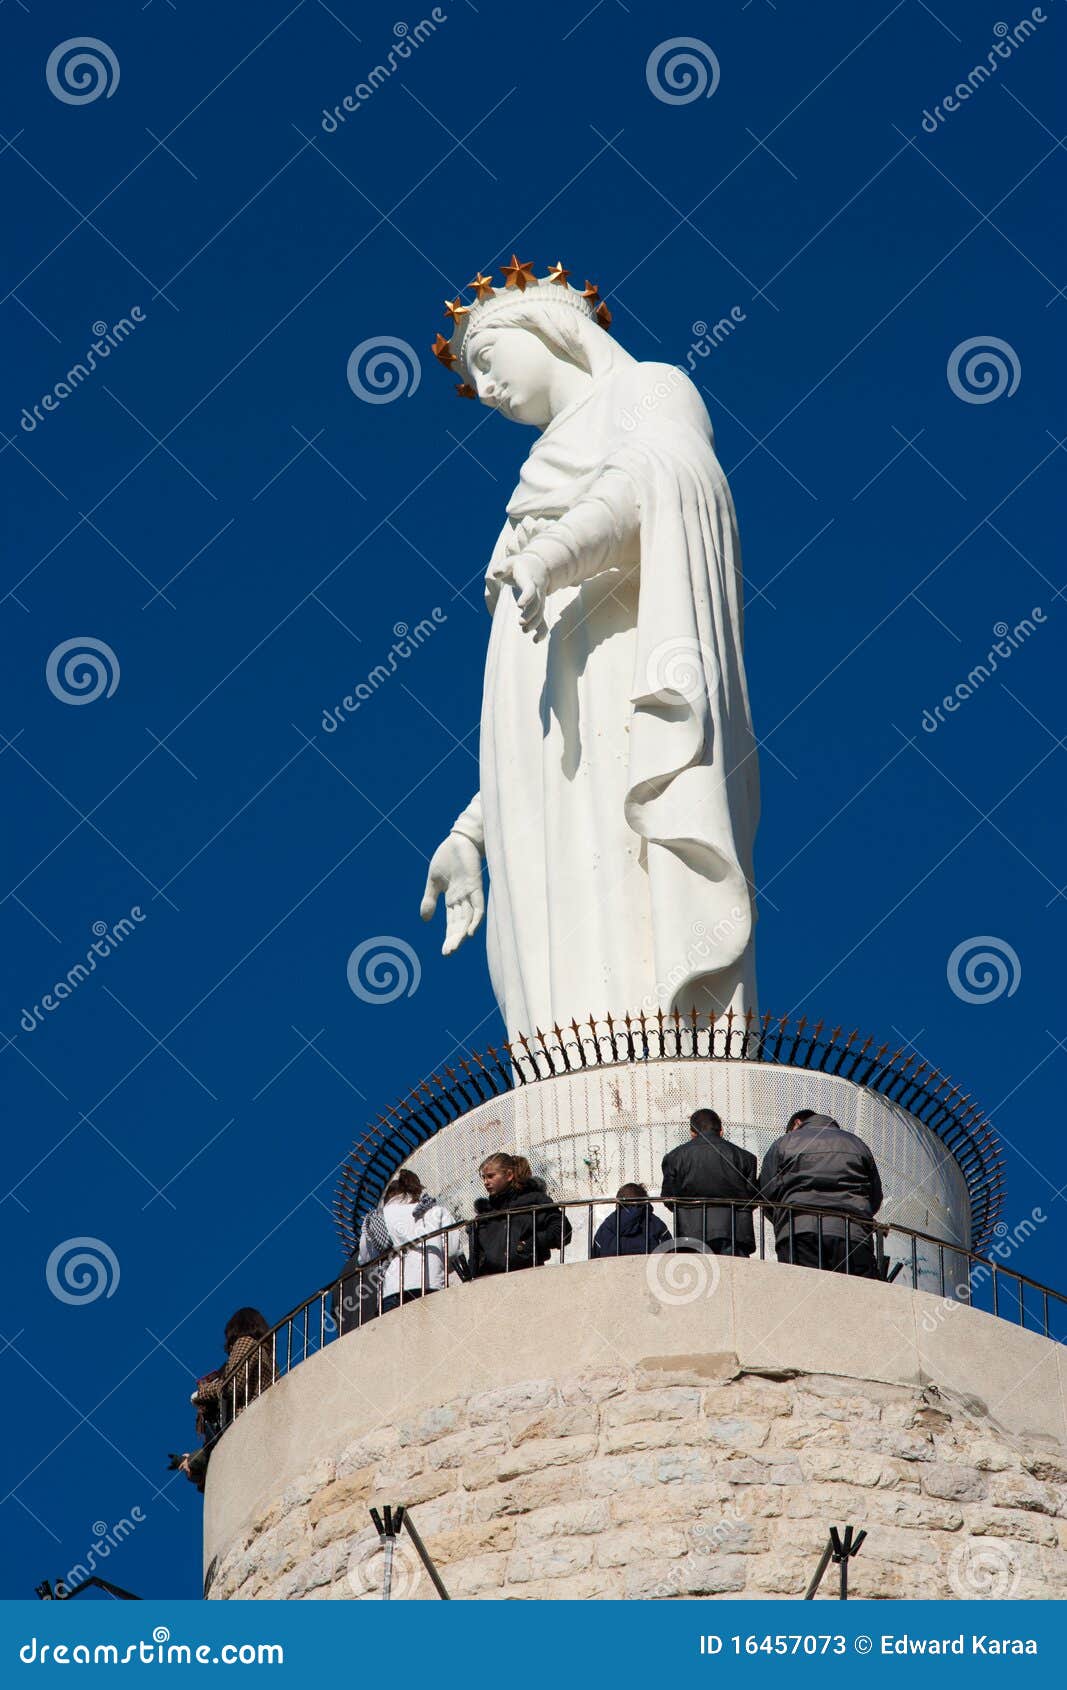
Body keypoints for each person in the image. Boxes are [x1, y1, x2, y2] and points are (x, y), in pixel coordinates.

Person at [759, 1111, 883, 1277]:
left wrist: (781, 1219)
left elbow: (765, 1192)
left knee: (804, 1289)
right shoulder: (858, 1145)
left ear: (797, 1123)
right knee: (855, 1291)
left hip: (798, 1230)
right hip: (853, 1233)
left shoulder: (785, 1142)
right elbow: (875, 1197)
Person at [177, 1307, 275, 1490]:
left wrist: (201, 1394)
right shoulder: (266, 1354)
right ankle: (197, 1466)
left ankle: (199, 1465)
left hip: (243, 1424)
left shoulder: (245, 1342)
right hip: (256, 1426)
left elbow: (232, 1385)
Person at [357, 1169, 465, 1314]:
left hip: (393, 1290)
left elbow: (365, 1259)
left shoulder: (377, 1218)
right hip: (432, 1284)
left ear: (388, 1197)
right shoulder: (437, 1211)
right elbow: (453, 1250)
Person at [660, 1108, 761, 1256]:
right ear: (721, 1131)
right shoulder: (746, 1158)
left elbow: (669, 1198)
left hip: (690, 1233)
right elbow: (753, 1197)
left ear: (692, 1132)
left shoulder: (674, 1157)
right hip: (734, 1233)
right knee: (733, 1271)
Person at [469, 1152, 572, 1276]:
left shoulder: (533, 1201)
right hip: (491, 1281)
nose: (486, 1182)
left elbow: (562, 1230)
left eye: (491, 1176)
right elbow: (478, 1254)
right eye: (484, 1177)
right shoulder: (485, 1214)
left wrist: (526, 1246)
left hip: (529, 1276)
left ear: (509, 1175)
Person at [591, 1183, 672, 1257]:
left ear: (618, 1202)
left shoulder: (605, 1229)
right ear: (644, 1201)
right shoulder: (656, 1224)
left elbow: (594, 1261)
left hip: (611, 1268)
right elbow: (670, 1255)